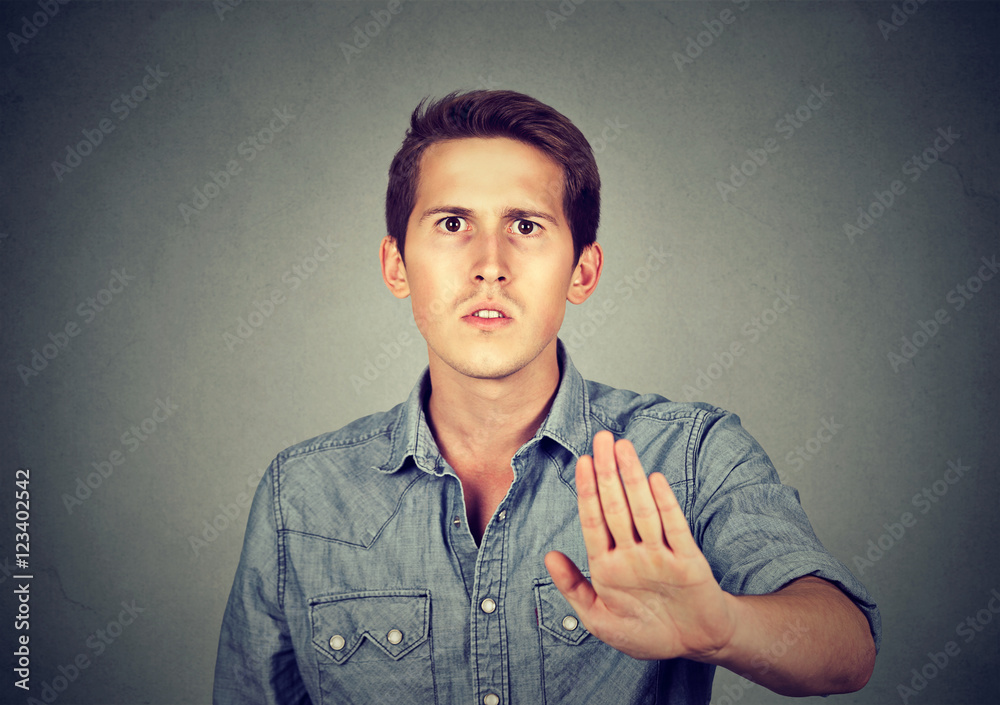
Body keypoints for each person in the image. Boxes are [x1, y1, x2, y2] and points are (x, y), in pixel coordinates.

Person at [213, 89, 880, 705]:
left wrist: (723, 627)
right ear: (397, 265)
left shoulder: (691, 453)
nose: (489, 263)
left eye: (526, 226)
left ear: (582, 270)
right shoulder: (298, 495)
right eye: (451, 223)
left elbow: (847, 651)